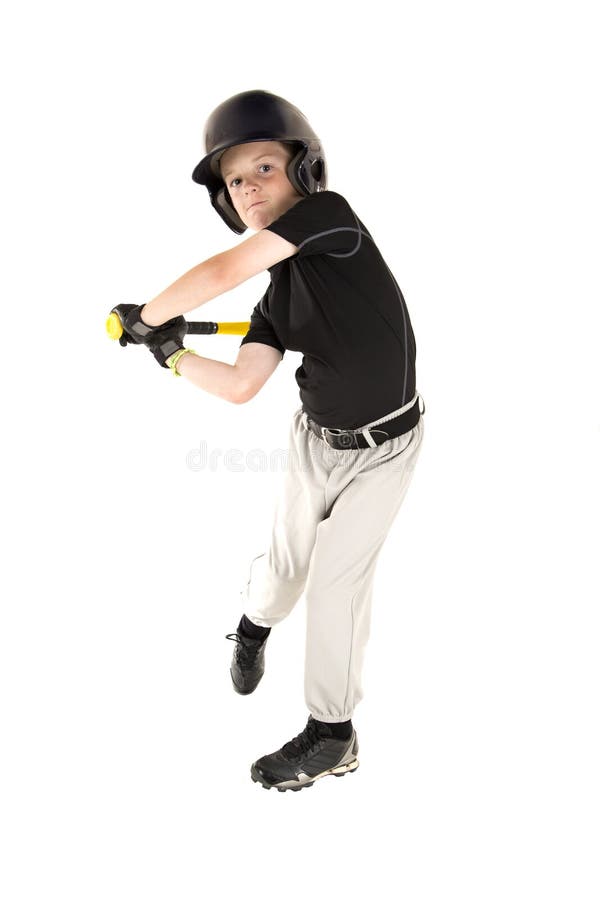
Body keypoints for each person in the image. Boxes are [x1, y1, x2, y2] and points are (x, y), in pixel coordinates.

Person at [115, 89, 425, 792]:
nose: (250, 185)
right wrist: (165, 352)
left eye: (264, 167)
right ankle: (252, 629)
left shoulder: (331, 217)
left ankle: (331, 735)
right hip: (316, 442)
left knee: (337, 587)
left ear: (302, 173)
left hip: (387, 449)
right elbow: (239, 385)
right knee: (284, 572)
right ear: (225, 199)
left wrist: (143, 317)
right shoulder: (276, 298)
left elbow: (219, 273)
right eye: (235, 179)